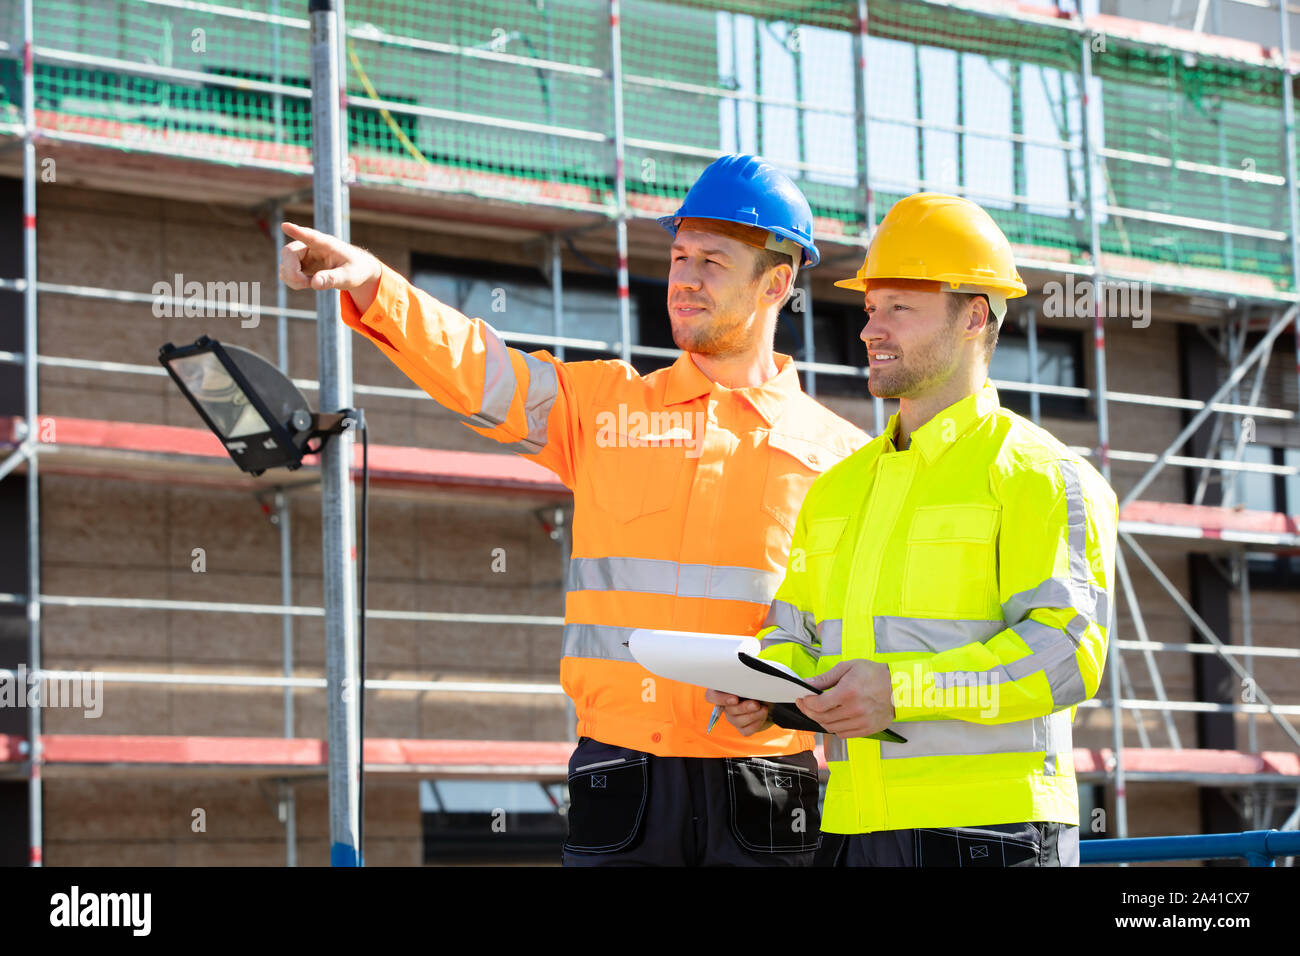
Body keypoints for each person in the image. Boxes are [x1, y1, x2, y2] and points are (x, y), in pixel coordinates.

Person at [278, 154, 869, 866]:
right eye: (680, 256)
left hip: (768, 781)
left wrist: (788, 700)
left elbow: (853, 630)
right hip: (623, 773)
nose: (684, 277)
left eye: (713, 261)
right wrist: (377, 286)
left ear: (776, 283)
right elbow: (478, 369)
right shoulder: (604, 408)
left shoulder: (844, 457)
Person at [707, 192, 1118, 867]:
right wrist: (767, 685)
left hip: (993, 833)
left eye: (900, 307)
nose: (871, 329)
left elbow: (1065, 654)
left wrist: (901, 692)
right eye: (871, 309)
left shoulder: (1043, 476)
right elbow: (796, 636)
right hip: (849, 827)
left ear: (973, 316)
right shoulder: (838, 489)